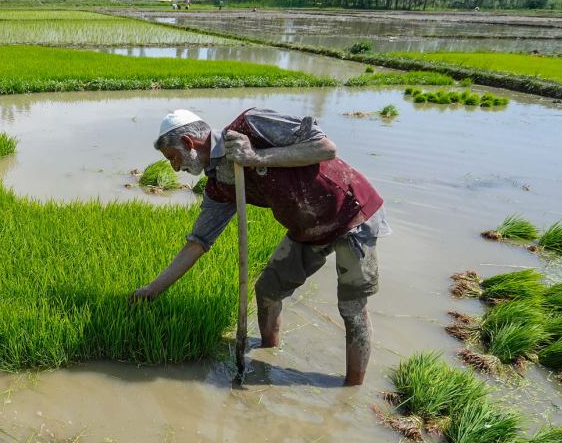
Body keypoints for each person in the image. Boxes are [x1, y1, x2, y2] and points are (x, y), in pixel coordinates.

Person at [132, 109, 390, 385]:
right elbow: (198, 243)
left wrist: (256, 157)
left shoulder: (250, 125)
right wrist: (151, 290)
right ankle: (268, 356)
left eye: (173, 157)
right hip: (306, 228)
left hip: (351, 213)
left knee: (351, 307)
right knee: (267, 290)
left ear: (188, 142)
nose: (175, 168)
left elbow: (325, 147)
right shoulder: (218, 186)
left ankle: (351, 390)